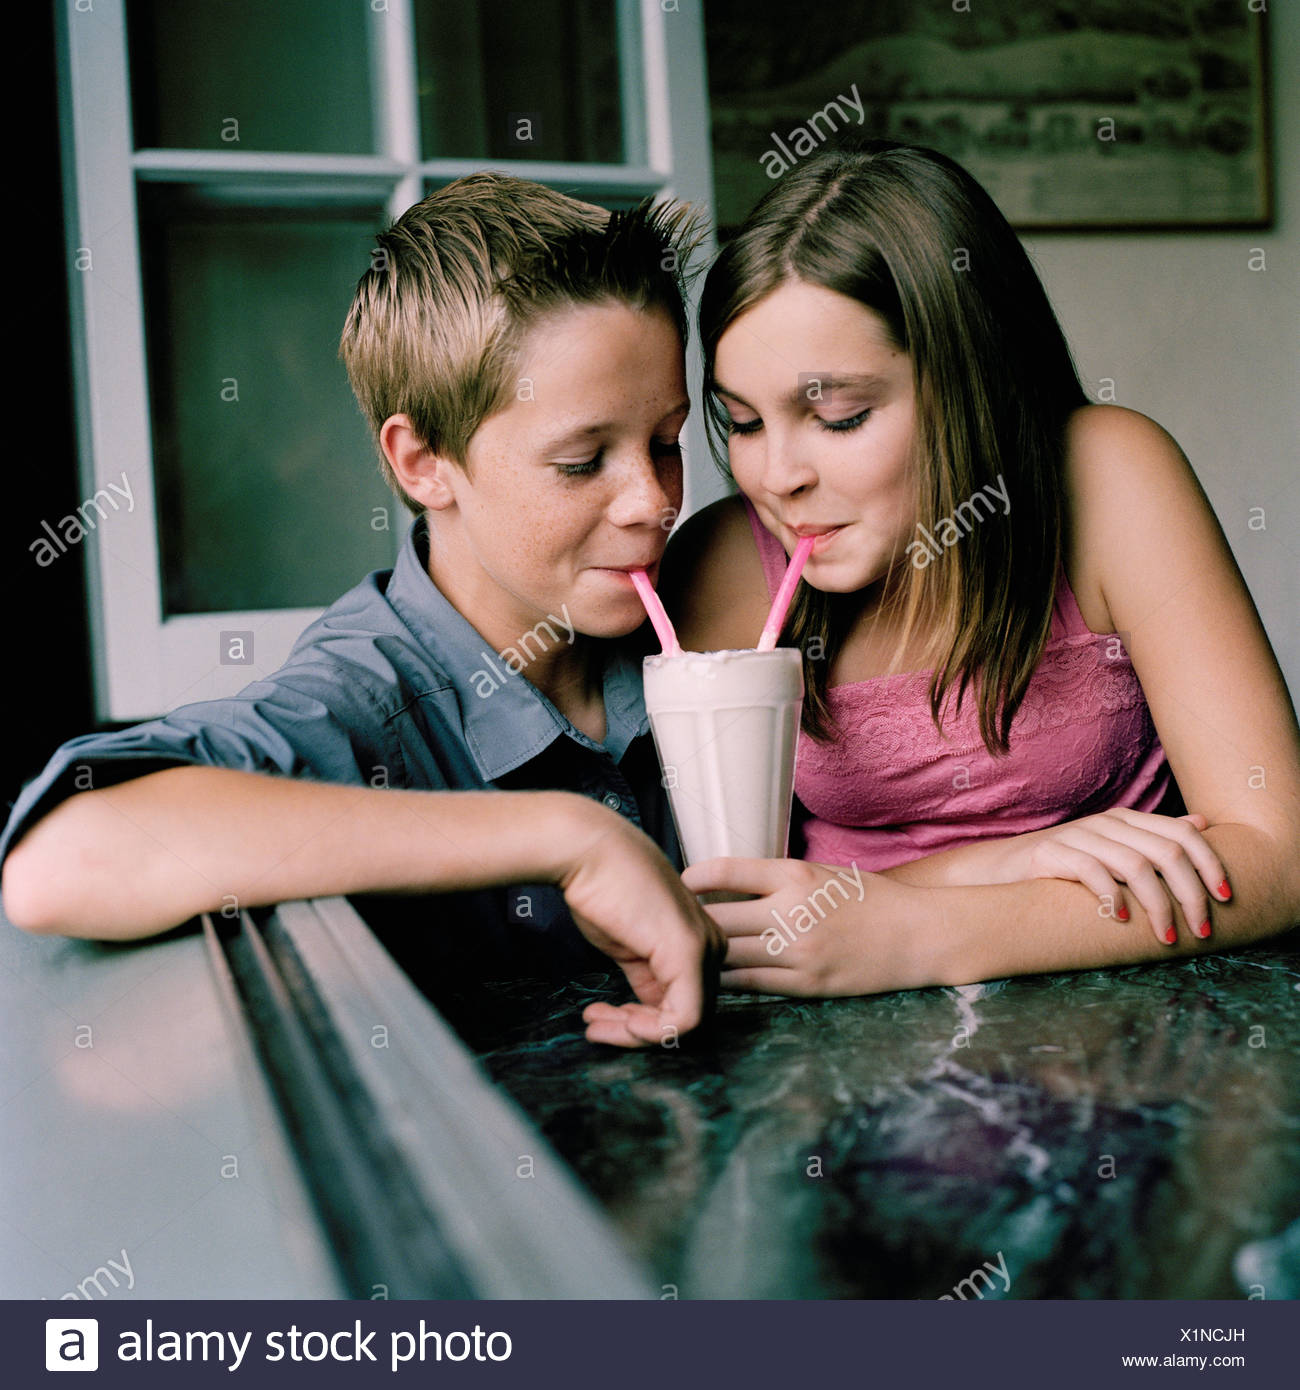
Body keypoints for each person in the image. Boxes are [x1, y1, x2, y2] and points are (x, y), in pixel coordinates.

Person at [0, 174, 723, 1049]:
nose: (653, 501)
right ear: (421, 461)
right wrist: (568, 834)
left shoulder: (703, 620)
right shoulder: (363, 700)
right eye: (581, 462)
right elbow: (63, 858)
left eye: (667, 443)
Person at [642, 142, 1300, 1003]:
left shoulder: (1109, 476)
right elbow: (732, 915)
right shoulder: (724, 565)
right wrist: (998, 869)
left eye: (836, 415)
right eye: (744, 423)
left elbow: (1280, 856)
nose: (776, 476)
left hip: (1128, 1027)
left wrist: (918, 934)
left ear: (968, 382)